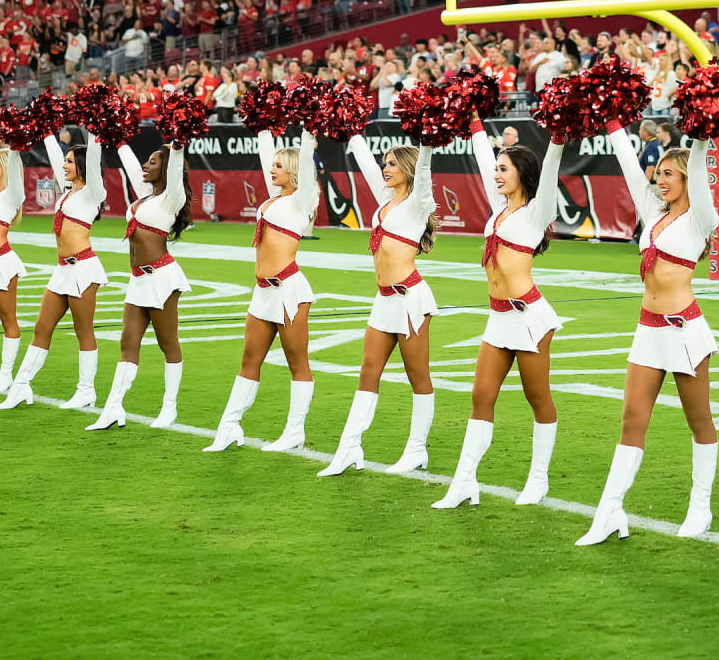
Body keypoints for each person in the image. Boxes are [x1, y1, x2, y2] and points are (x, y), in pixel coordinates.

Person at [576, 118, 719, 546]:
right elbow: (627, 164)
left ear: (688, 179)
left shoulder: (699, 219)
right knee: (632, 421)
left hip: (684, 330)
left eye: (669, 175)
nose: (660, 182)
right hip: (647, 331)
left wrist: (700, 128)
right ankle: (610, 512)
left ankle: (701, 506)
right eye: (658, 175)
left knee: (699, 422)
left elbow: (697, 162)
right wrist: (615, 120)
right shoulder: (654, 214)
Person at [429, 117, 564, 507]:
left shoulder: (537, 213)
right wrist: (472, 119)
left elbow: (551, 170)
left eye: (503, 169)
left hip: (529, 317)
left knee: (538, 399)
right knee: (481, 396)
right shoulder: (498, 211)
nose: (496, 175)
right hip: (498, 317)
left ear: (522, 173)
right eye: (496, 169)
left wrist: (557, 138)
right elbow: (480, 153)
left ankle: (538, 479)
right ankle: (464, 482)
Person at [317, 134, 440, 476]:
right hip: (383, 300)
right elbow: (367, 165)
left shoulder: (418, 203)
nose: (385, 169)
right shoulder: (386, 199)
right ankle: (349, 448)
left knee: (418, 377)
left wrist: (427, 142)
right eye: (384, 163)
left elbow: (425, 170)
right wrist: (354, 134)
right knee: (368, 371)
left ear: (408, 169)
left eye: (392, 164)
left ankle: (417, 450)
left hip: (410, 299)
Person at [203, 129, 319, 452]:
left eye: (279, 166)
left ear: (294, 171)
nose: (273, 169)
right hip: (262, 292)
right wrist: (263, 126)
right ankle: (228, 428)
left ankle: (295, 430)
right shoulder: (275, 198)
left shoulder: (302, 199)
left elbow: (307, 163)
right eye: (273, 164)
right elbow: (264, 150)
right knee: (249, 360)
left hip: (288, 290)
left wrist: (309, 133)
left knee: (298, 362)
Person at [87, 142, 192, 430]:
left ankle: (169, 408)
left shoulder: (172, 198)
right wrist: (119, 141)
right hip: (138, 279)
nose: (146, 165)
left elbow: (174, 165)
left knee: (167, 344)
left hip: (161, 278)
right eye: (147, 161)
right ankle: (113, 408)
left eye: (154, 162)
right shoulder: (145, 196)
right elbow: (132, 167)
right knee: (127, 343)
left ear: (167, 169)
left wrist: (178, 145)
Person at [0, 134, 108, 410]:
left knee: (83, 330)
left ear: (83, 166)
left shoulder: (93, 192)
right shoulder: (68, 191)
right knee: (42, 328)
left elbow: (94, 161)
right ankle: (21, 387)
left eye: (70, 161)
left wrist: (95, 132)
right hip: (62, 270)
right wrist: (46, 130)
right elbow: (54, 157)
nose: (64, 165)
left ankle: (86, 390)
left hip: (83, 268)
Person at [0, 143, 28, 393]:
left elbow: (17, 178)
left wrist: (15, 146)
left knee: (8, 319)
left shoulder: (10, 196)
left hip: (2, 264)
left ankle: (5, 373)